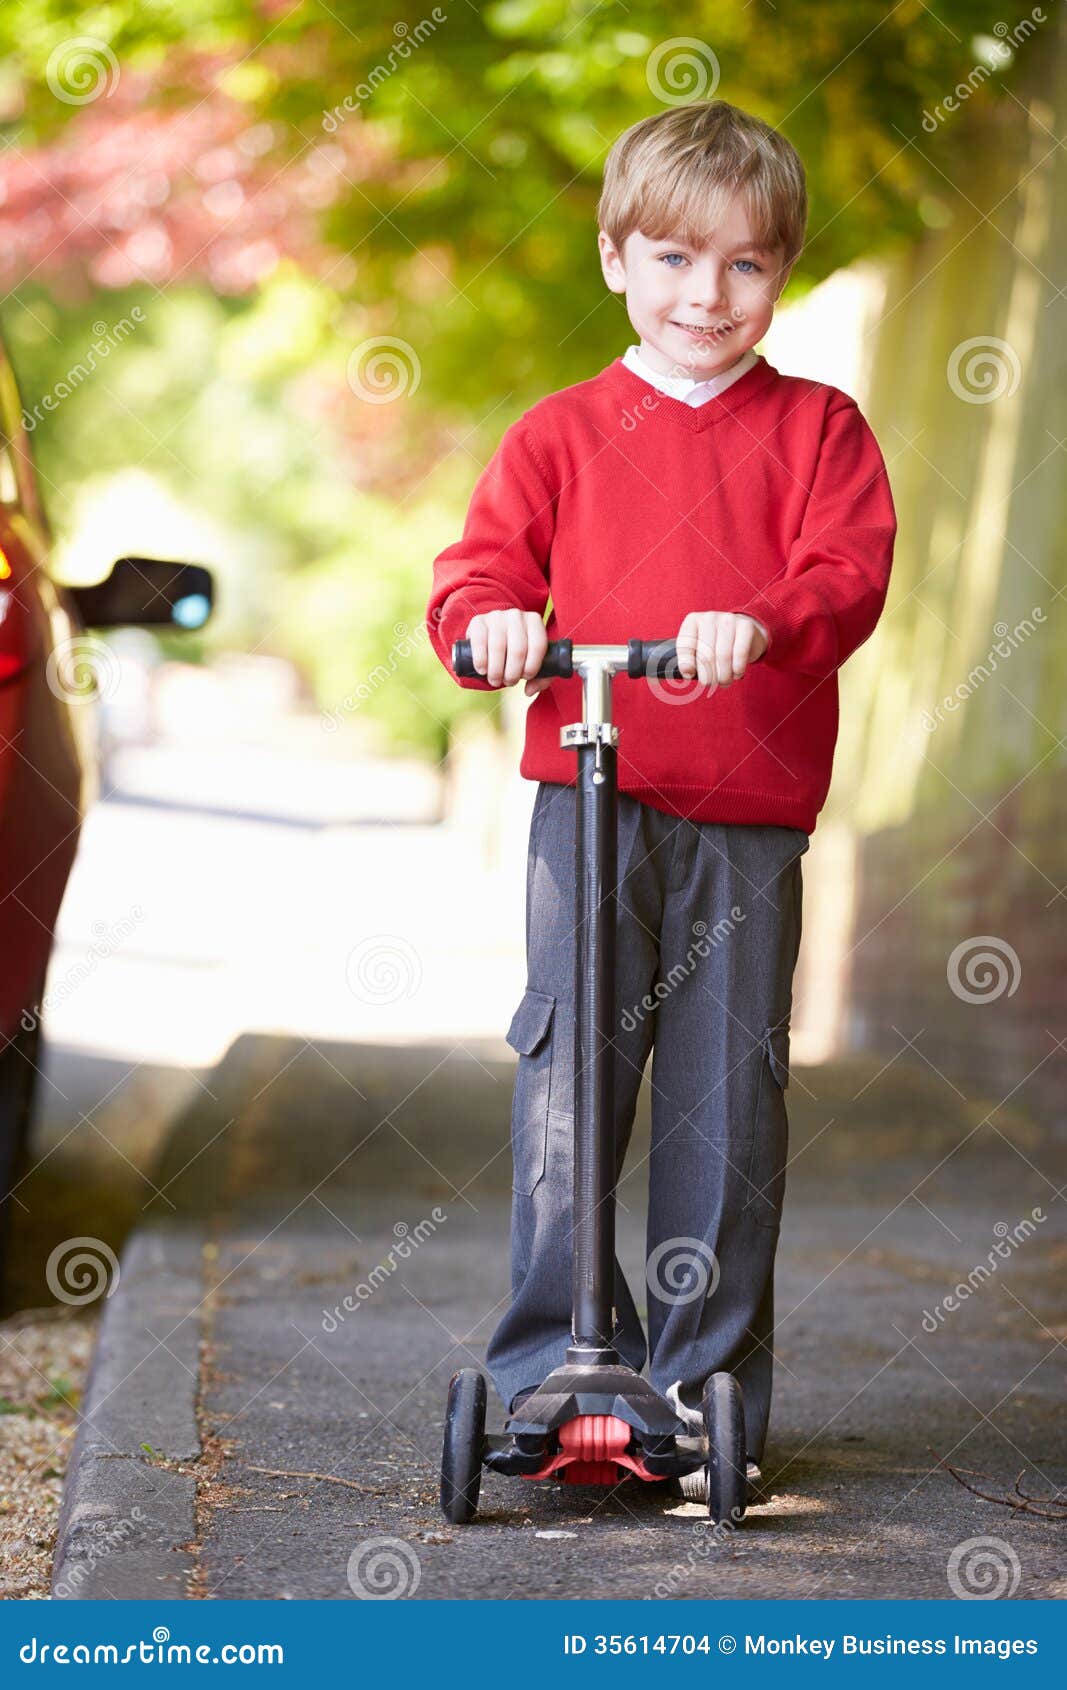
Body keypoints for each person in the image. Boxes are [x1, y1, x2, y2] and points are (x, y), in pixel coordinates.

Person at [425, 98, 896, 1484]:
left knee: (726, 1097)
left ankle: (702, 1387)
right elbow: (478, 575)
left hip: (743, 814)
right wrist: (495, 626)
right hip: (590, 803)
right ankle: (549, 1367)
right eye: (678, 260)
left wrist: (763, 616)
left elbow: (847, 572)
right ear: (617, 258)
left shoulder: (818, 429)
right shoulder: (561, 433)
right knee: (568, 1078)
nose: (709, 294)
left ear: (781, 277)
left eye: (747, 264)